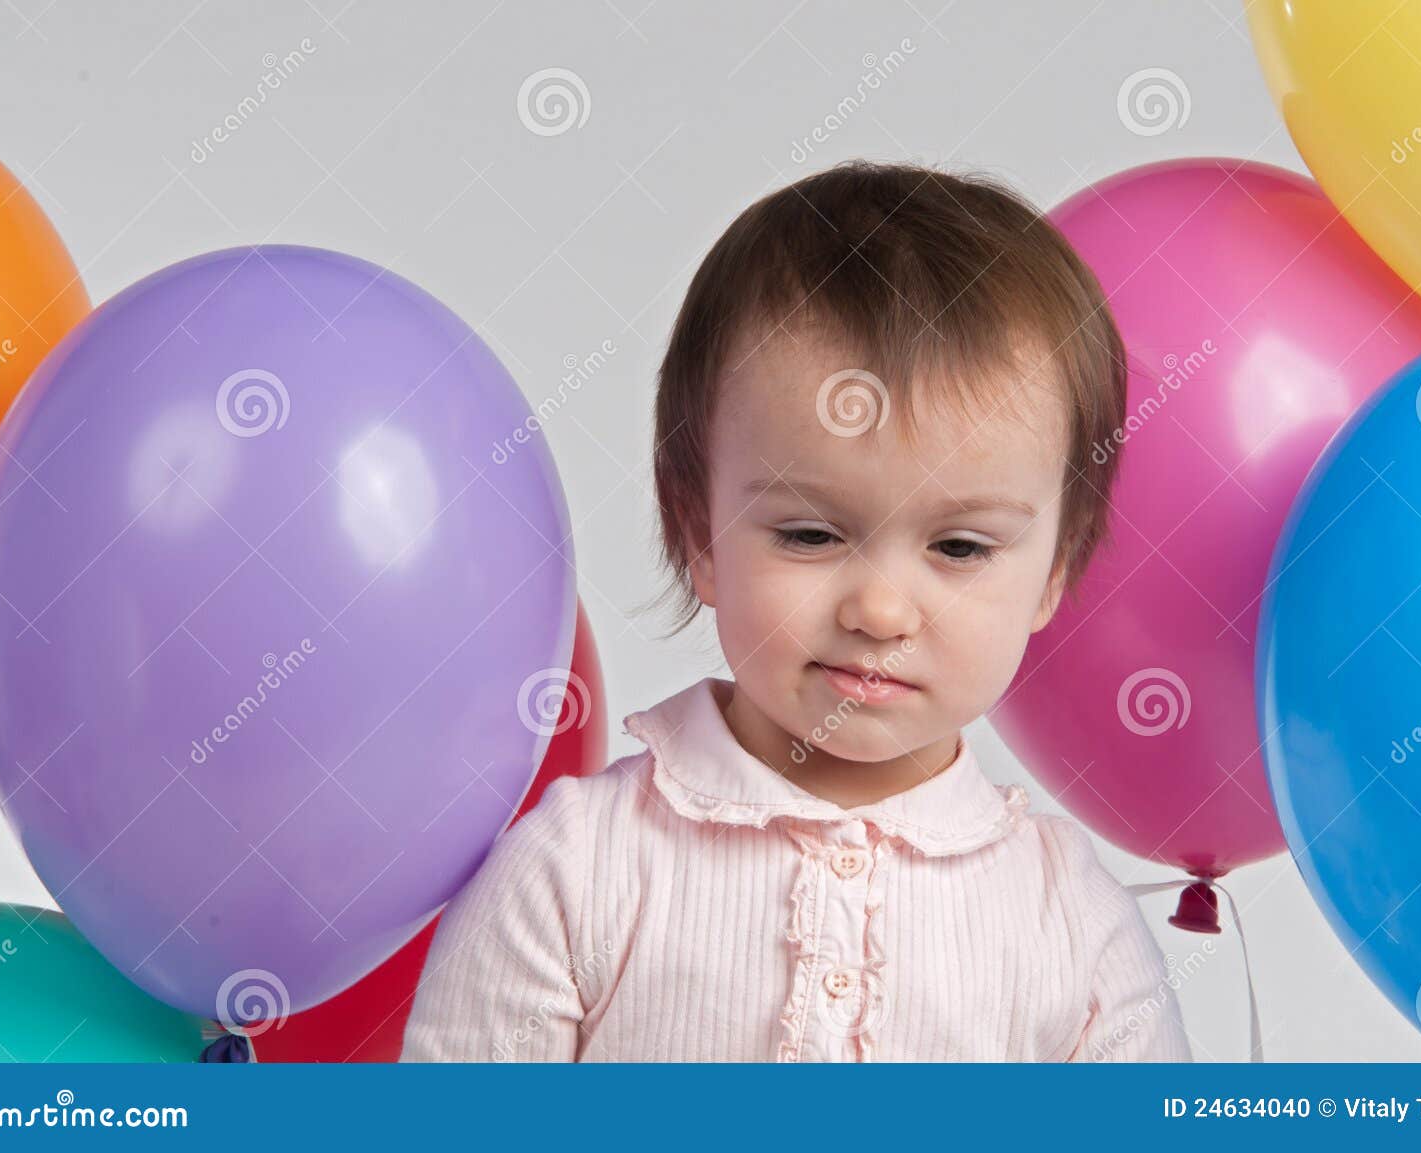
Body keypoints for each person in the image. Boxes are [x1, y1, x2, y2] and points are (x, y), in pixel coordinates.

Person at [401, 160, 1193, 1062]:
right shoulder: (575, 871)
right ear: (698, 529)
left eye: (961, 548)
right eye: (812, 535)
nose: (882, 608)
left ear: (1057, 567)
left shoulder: (1073, 922)